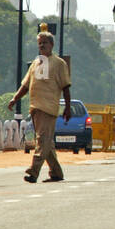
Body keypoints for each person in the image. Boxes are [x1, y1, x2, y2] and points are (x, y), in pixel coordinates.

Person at [9, 32, 72, 183]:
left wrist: (68, 108)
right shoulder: (36, 63)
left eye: (45, 43)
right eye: (40, 43)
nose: (42, 45)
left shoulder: (59, 63)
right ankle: (56, 173)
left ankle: (33, 171)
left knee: (42, 141)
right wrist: (15, 98)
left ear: (52, 45)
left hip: (48, 108)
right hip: (35, 108)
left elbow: (66, 87)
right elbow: (25, 85)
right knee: (46, 143)